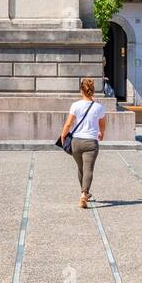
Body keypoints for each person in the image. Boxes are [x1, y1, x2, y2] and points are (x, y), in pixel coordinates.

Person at [59, 78, 106, 209]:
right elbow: (102, 125)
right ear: (93, 91)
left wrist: (63, 136)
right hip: (91, 142)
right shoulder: (99, 107)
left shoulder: (75, 105)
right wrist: (102, 134)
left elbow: (68, 123)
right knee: (88, 169)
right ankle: (84, 194)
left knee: (81, 168)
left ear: (81, 91)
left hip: (76, 142)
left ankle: (84, 192)